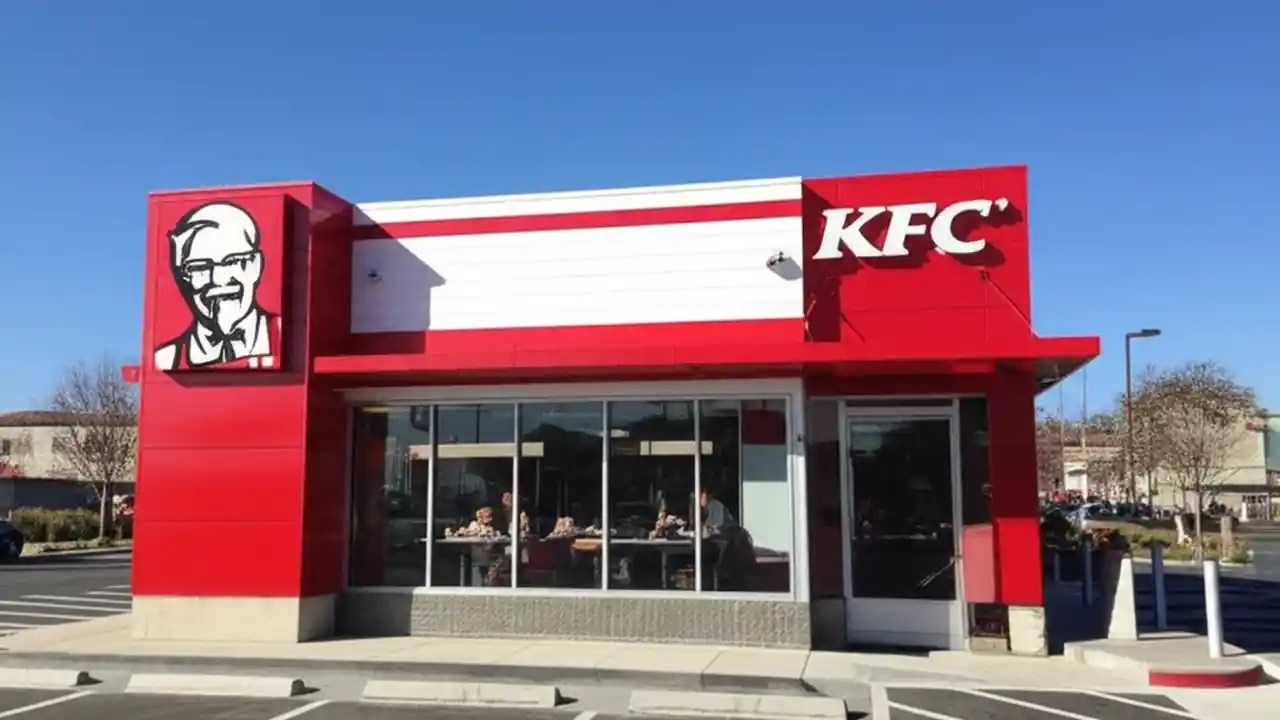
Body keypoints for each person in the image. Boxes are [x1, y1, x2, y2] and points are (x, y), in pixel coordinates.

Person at [154, 201, 279, 370]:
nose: (220, 279)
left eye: (234, 261)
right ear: (185, 277)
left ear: (256, 266)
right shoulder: (167, 360)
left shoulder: (288, 337)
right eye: (200, 267)